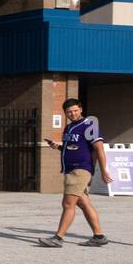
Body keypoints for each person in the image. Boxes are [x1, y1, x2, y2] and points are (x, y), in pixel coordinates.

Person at [38, 98, 111, 247]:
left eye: (75, 110)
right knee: (83, 203)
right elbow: (69, 147)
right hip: (70, 170)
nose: (72, 113)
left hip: (80, 169)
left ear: (81, 109)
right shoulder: (69, 127)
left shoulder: (89, 125)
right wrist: (56, 146)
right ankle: (99, 236)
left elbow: (99, 149)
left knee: (67, 203)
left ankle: (58, 238)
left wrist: (103, 171)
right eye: (69, 112)